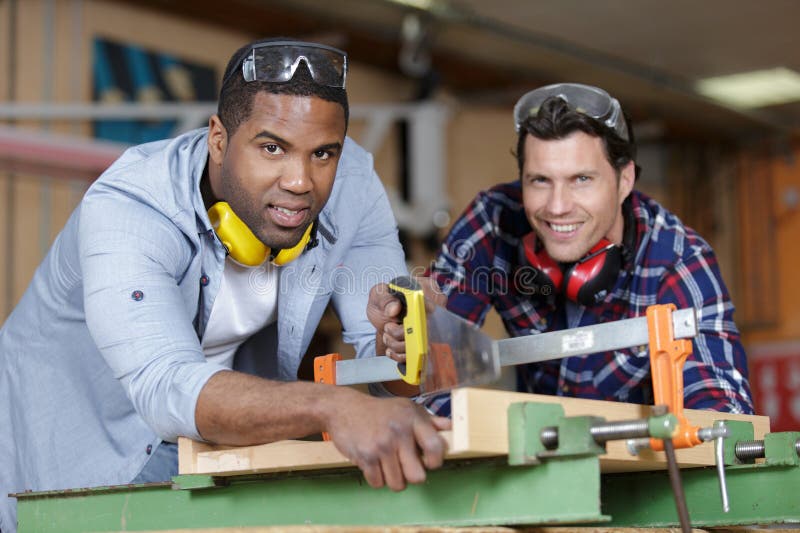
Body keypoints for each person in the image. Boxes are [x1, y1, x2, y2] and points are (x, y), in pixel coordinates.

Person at [0, 38, 450, 532]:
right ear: (218, 138)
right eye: (272, 147)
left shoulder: (352, 185)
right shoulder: (130, 208)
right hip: (68, 458)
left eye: (322, 153)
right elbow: (165, 385)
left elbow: (394, 371)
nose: (300, 180)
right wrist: (335, 407)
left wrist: (403, 341)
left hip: (214, 446)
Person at [374, 82, 753, 416]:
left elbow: (720, 411)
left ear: (624, 181)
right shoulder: (494, 222)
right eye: (540, 181)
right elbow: (422, 378)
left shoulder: (677, 259)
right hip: (538, 468)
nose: (557, 206)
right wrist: (406, 338)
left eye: (581, 180)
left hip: (648, 474)